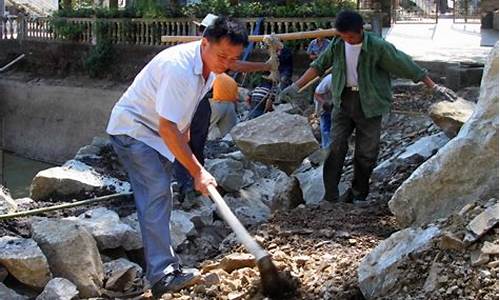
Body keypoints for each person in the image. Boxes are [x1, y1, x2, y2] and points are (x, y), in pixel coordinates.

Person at [106, 17, 248, 297]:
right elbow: (167, 126)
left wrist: (186, 147)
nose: (226, 63)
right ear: (204, 42)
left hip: (157, 136)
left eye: (233, 58)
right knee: (157, 192)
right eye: (222, 55)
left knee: (159, 194)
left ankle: (163, 267)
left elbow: (178, 120)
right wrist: (197, 171)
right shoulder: (179, 68)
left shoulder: (209, 69)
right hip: (133, 130)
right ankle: (161, 276)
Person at [279, 10, 456, 204]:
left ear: (360, 30)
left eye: (351, 36)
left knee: (367, 152)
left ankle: (358, 194)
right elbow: (318, 65)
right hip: (342, 101)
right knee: (335, 147)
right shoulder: (338, 46)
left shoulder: (378, 47)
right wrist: (296, 86)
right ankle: (330, 196)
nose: (348, 40)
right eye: (344, 36)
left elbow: (404, 64)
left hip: (370, 102)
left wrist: (433, 85)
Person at [173, 14, 272, 201]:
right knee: (183, 141)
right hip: (188, 99)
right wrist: (264, 65)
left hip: (201, 101)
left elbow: (235, 64)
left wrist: (264, 65)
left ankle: (195, 180)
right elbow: (236, 65)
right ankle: (186, 185)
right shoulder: (196, 52)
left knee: (197, 143)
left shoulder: (219, 52)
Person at [209, 72, 239, 138]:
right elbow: (235, 99)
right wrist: (236, 111)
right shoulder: (232, 80)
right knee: (228, 131)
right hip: (230, 106)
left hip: (218, 103)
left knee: (208, 126)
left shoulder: (214, 75)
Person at [314, 73, 333, 148]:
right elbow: (317, 94)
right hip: (325, 105)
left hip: (337, 104)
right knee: (326, 126)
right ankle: (326, 147)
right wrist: (324, 102)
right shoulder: (329, 80)